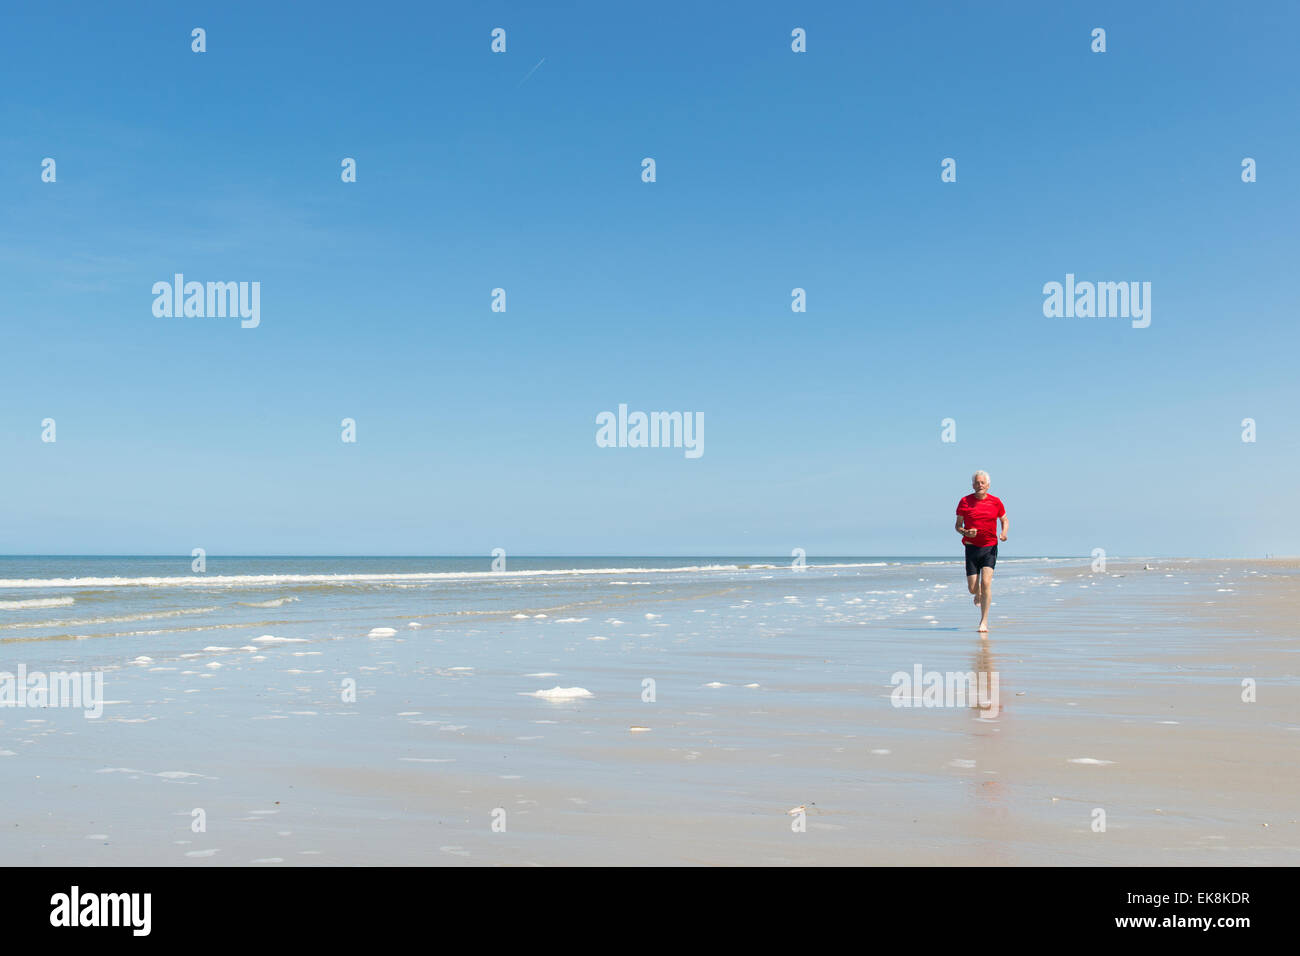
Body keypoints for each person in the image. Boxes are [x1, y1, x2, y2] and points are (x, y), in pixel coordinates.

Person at [955, 470, 1008, 633]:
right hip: (971, 548)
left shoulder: (996, 502)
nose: (980, 485)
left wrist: (1004, 533)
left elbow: (1004, 519)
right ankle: (976, 593)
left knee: (986, 583)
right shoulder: (964, 501)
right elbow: (958, 526)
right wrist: (965, 532)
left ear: (988, 485)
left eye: (982, 482)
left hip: (990, 547)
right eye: (977, 483)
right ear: (973, 485)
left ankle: (983, 622)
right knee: (972, 588)